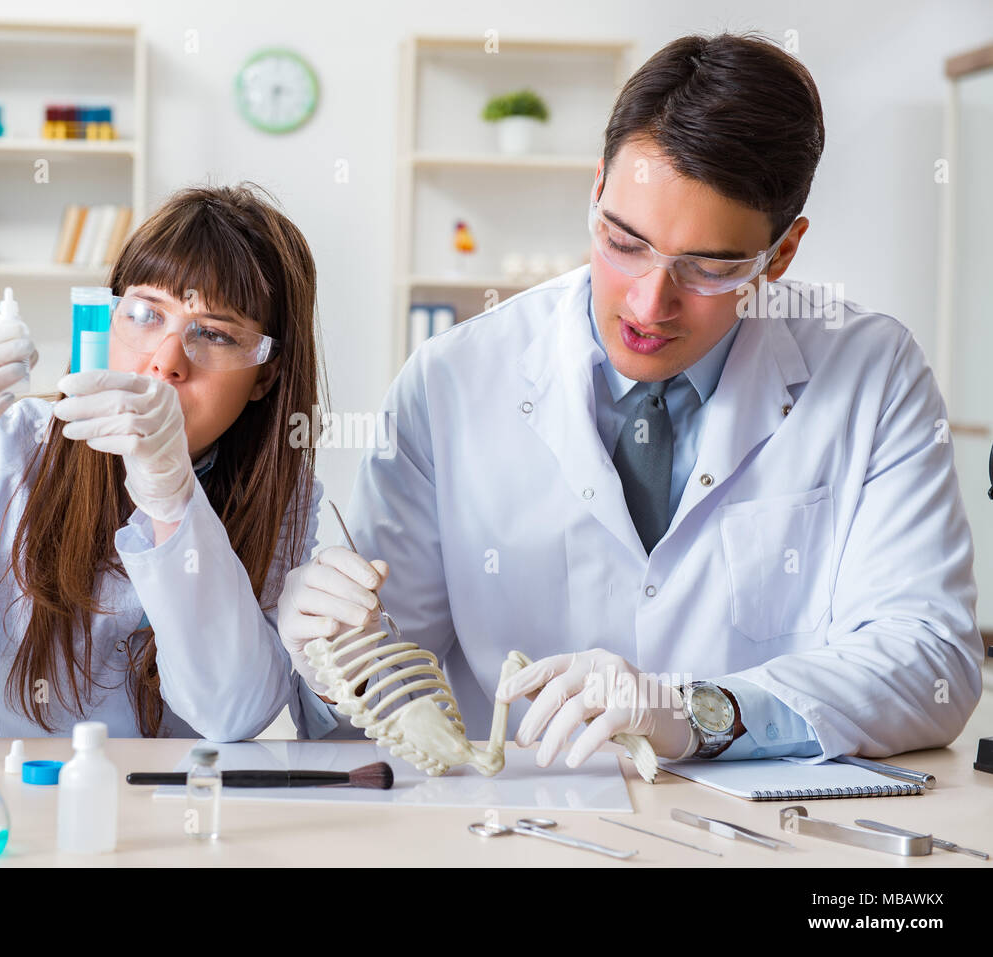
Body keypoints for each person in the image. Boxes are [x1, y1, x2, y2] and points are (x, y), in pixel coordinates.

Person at [277, 32, 982, 768]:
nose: (651, 303)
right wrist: (332, 652)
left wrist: (697, 710)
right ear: (596, 192)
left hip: (767, 836)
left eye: (709, 269)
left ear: (782, 254)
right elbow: (365, 715)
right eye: (623, 240)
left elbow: (933, 659)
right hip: (513, 827)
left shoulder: (873, 373)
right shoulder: (450, 382)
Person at [0, 183, 325, 745]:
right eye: (144, 314)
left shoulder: (281, 496)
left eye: (214, 334)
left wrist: (174, 502)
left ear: (266, 374)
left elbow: (232, 716)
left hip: (170, 818)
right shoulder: (4, 449)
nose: (165, 363)